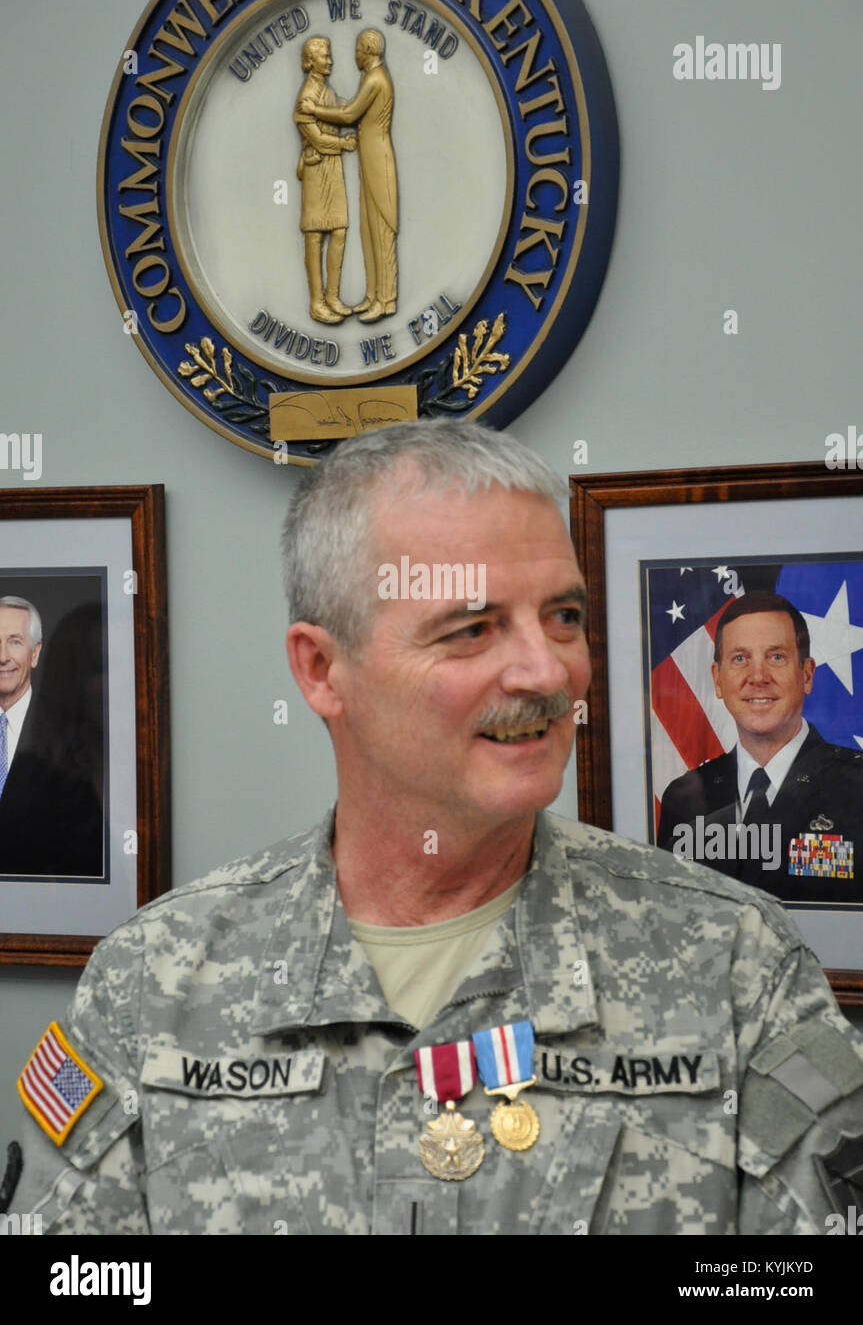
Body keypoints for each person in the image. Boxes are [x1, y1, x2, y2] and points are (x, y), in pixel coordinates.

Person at [4, 421, 863, 1235]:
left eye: (562, 616)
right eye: (471, 628)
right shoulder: (152, 984)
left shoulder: (734, 965)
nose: (547, 670)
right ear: (321, 668)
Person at [657, 591, 863, 902]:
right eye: (740, 658)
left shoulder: (857, 786)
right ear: (717, 679)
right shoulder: (683, 799)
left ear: (807, 674)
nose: (758, 677)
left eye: (776, 656)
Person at [0, 596, 102, 878]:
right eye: (100, 667)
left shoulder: (140, 768)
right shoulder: (28, 781)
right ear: (72, 680)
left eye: (15, 642)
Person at [304, 29, 398, 323]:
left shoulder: (375, 78)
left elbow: (348, 116)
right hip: (367, 158)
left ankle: (387, 300)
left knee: (382, 229)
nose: (353, 55)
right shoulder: (369, 77)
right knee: (368, 229)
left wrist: (315, 109)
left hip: (378, 158)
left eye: (357, 49)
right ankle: (372, 294)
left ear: (367, 51)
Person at [294, 36, 357, 326]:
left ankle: (333, 296)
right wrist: (343, 144)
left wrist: (357, 108)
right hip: (316, 169)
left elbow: (341, 109)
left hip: (332, 170)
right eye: (325, 56)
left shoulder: (326, 90)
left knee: (339, 231)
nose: (330, 60)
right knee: (315, 235)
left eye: (329, 56)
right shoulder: (306, 96)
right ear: (310, 62)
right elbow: (317, 140)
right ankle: (316, 303)